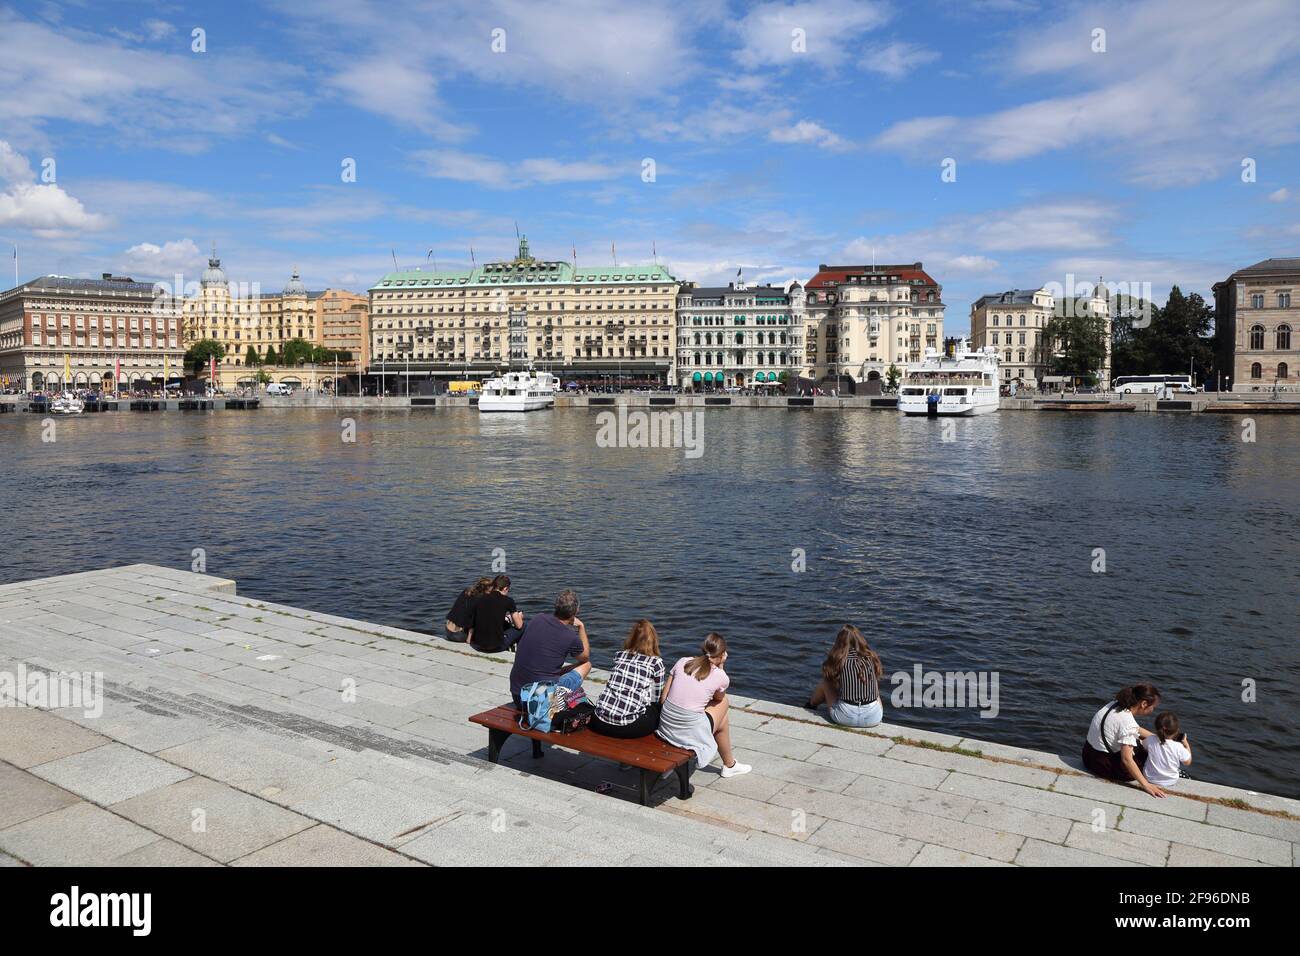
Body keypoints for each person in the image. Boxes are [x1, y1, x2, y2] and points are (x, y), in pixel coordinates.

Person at [657, 633, 750, 778]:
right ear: (722, 655)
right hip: (687, 731)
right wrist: (721, 666)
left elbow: (663, 698)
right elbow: (719, 698)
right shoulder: (720, 676)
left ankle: (729, 764)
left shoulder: (683, 661)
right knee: (723, 706)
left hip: (667, 725)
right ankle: (729, 765)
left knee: (715, 716)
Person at [509, 589, 591, 710]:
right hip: (537, 701)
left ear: (556, 607)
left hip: (517, 695)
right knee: (586, 665)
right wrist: (581, 627)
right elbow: (585, 656)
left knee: (551, 670)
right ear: (576, 611)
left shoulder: (538, 618)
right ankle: (557, 703)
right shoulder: (570, 637)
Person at [1082, 683, 1165, 797]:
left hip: (1088, 756)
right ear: (1144, 704)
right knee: (1150, 753)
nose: (1153, 710)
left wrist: (1157, 738)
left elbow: (1133, 728)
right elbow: (1126, 760)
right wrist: (1146, 785)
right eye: (1153, 707)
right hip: (1103, 766)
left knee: (1142, 742)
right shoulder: (1127, 722)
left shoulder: (1114, 705)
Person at [591, 620, 666, 739]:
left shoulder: (620, 655)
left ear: (631, 637)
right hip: (628, 727)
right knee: (657, 709)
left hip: (599, 721)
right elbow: (656, 699)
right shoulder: (656, 663)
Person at [805, 624, 883, 728]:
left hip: (845, 718)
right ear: (860, 639)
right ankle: (875, 711)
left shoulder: (838, 660)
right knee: (873, 683)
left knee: (826, 684)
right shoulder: (871, 658)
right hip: (873, 718)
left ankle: (811, 705)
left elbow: (829, 679)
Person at [466, 574, 523, 653]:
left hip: (478, 644)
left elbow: (473, 622)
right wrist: (519, 616)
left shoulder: (480, 598)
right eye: (508, 589)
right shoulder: (508, 601)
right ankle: (519, 652)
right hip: (496, 647)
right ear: (505, 588)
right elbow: (519, 626)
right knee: (524, 627)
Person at [1143, 712, 1192, 788]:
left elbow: (1144, 747)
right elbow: (1187, 762)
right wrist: (1186, 744)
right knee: (1185, 775)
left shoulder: (1150, 739)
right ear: (1176, 731)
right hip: (1170, 781)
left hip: (1149, 778)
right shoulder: (1178, 746)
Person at [444, 576, 492, 642]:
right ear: (484, 590)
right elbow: (473, 621)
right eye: (490, 591)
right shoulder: (480, 600)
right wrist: (469, 639)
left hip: (447, 631)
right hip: (459, 635)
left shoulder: (466, 591)